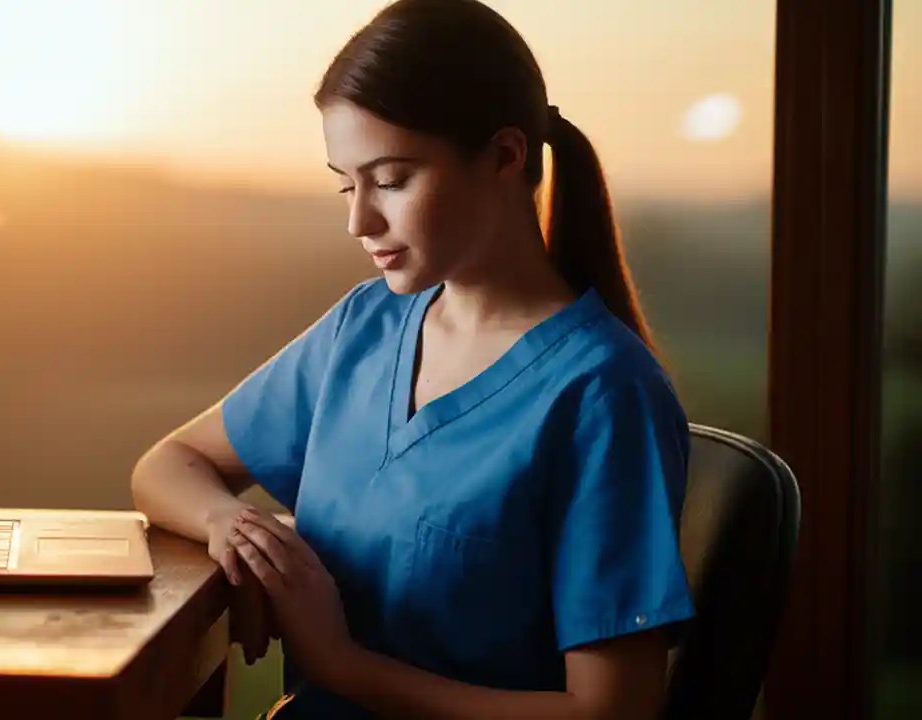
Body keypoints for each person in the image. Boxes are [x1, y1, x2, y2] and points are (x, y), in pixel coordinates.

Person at [130, 0, 696, 716]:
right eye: (346, 183)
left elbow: (610, 711)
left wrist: (343, 664)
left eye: (392, 180)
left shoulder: (603, 395)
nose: (359, 220)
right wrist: (237, 532)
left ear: (504, 156)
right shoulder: (365, 328)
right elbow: (170, 464)